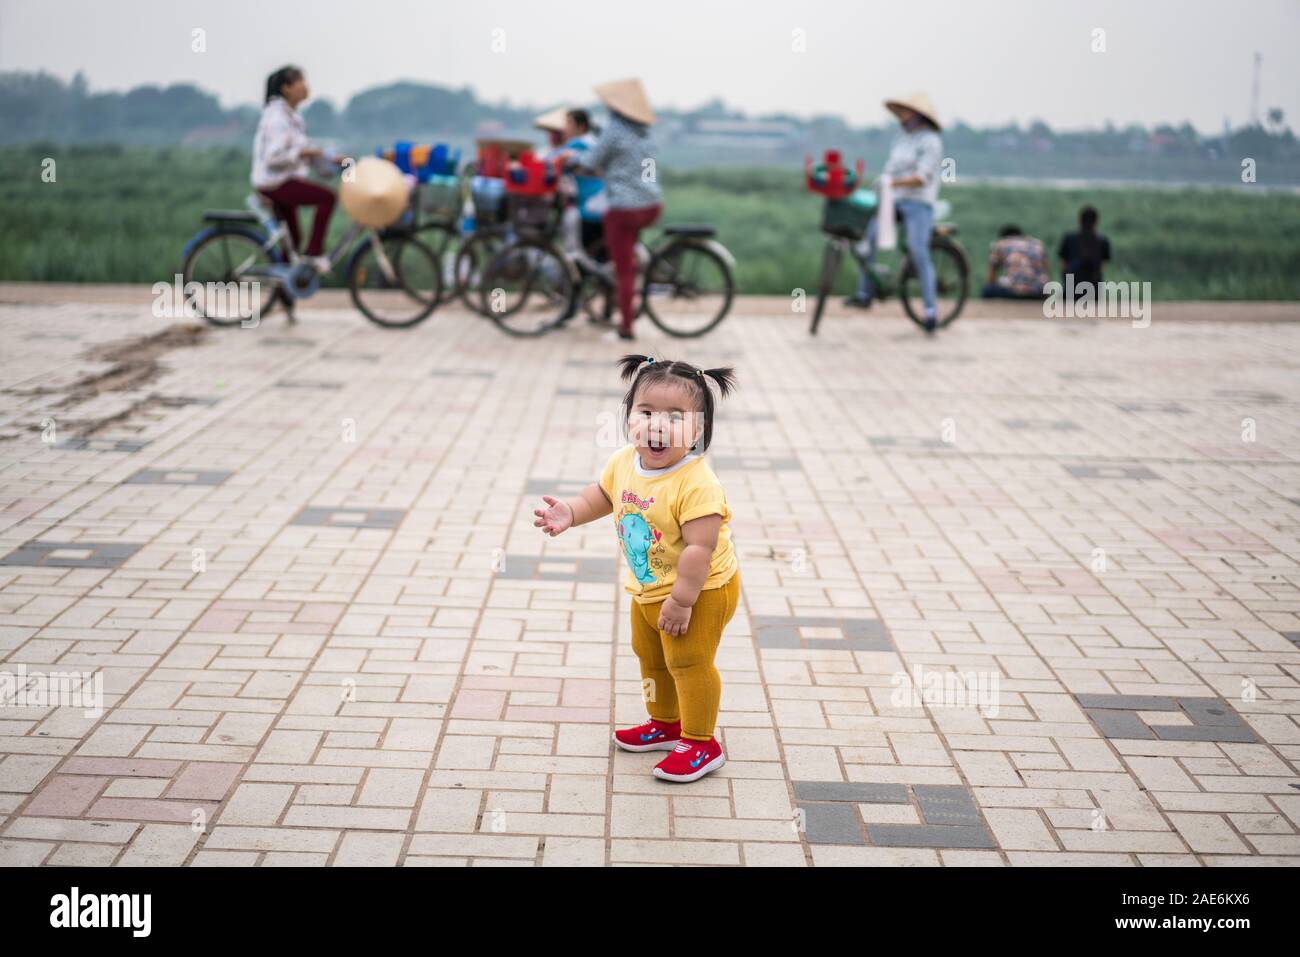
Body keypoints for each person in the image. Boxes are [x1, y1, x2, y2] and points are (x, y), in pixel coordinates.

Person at [534, 354, 740, 783]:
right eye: (646, 412)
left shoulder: (696, 483)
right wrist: (570, 512)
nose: (657, 425)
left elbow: (701, 548)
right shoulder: (624, 462)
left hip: (700, 590)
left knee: (688, 661)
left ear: (698, 430)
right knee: (650, 655)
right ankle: (665, 723)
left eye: (675, 416)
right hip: (648, 588)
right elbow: (603, 496)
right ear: (629, 417)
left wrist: (682, 602)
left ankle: (702, 742)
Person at [845, 93, 944, 331]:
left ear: (919, 115)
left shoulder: (930, 141)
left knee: (918, 250)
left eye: (906, 113)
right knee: (866, 239)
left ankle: (930, 311)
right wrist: (886, 185)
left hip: (918, 202)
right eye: (900, 113)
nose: (902, 118)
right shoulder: (901, 139)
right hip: (893, 201)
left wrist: (893, 183)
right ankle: (864, 292)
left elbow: (922, 177)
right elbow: (890, 171)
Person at [579, 78, 662, 341]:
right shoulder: (645, 133)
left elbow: (592, 161)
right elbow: (643, 168)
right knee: (627, 261)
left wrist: (576, 164)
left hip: (624, 209)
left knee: (623, 269)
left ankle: (626, 327)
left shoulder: (614, 129)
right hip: (650, 204)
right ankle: (632, 274)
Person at [251, 65, 345, 273]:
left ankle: (284, 292)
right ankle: (314, 253)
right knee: (327, 198)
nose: (306, 87)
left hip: (281, 180)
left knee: (292, 240)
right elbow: (274, 157)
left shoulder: (291, 117)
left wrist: (330, 160)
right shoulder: (278, 118)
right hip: (275, 183)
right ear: (286, 88)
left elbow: (302, 152)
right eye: (301, 82)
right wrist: (307, 154)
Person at [982, 225, 1051, 298]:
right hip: (1039, 293)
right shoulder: (1038, 244)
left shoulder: (1000, 244)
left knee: (987, 290)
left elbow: (991, 277)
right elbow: (1046, 272)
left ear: (1003, 237)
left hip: (1014, 293)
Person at [1058, 206, 1111, 298]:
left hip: (1072, 284)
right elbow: (1102, 266)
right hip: (1093, 286)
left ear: (1079, 220)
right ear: (1096, 221)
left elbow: (1063, 264)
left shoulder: (1069, 239)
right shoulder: (1102, 241)